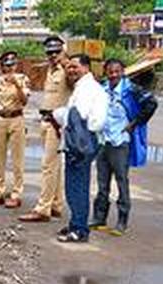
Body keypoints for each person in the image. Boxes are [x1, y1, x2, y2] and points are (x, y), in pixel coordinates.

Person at [90, 58, 158, 236]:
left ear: (123, 72)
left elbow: (151, 103)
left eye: (117, 71)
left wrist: (135, 123)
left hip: (121, 141)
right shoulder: (102, 88)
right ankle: (99, 218)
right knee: (102, 182)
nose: (113, 75)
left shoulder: (131, 89)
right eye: (110, 72)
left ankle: (122, 221)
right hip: (103, 141)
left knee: (121, 182)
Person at [54, 54, 109, 244]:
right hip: (83, 141)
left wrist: (58, 114)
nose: (71, 70)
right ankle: (76, 223)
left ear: (86, 68)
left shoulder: (88, 89)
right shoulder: (86, 87)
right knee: (76, 186)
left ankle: (79, 229)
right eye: (69, 67)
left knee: (76, 187)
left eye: (75, 66)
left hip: (81, 143)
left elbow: (81, 118)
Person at [20, 36, 73, 223]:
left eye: (56, 52)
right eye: (50, 53)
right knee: (54, 166)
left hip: (57, 123)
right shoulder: (50, 70)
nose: (53, 56)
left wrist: (67, 64)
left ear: (63, 51)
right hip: (46, 119)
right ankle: (56, 204)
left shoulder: (67, 69)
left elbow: (76, 84)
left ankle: (43, 208)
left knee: (48, 165)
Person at [0, 51, 31, 210]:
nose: (10, 68)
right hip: (1, 118)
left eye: (12, 65)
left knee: (17, 159)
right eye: (7, 65)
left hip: (16, 118)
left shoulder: (23, 79)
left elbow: (24, 101)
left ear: (16, 65)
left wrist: (16, 85)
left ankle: (16, 193)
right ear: (2, 66)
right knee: (0, 158)